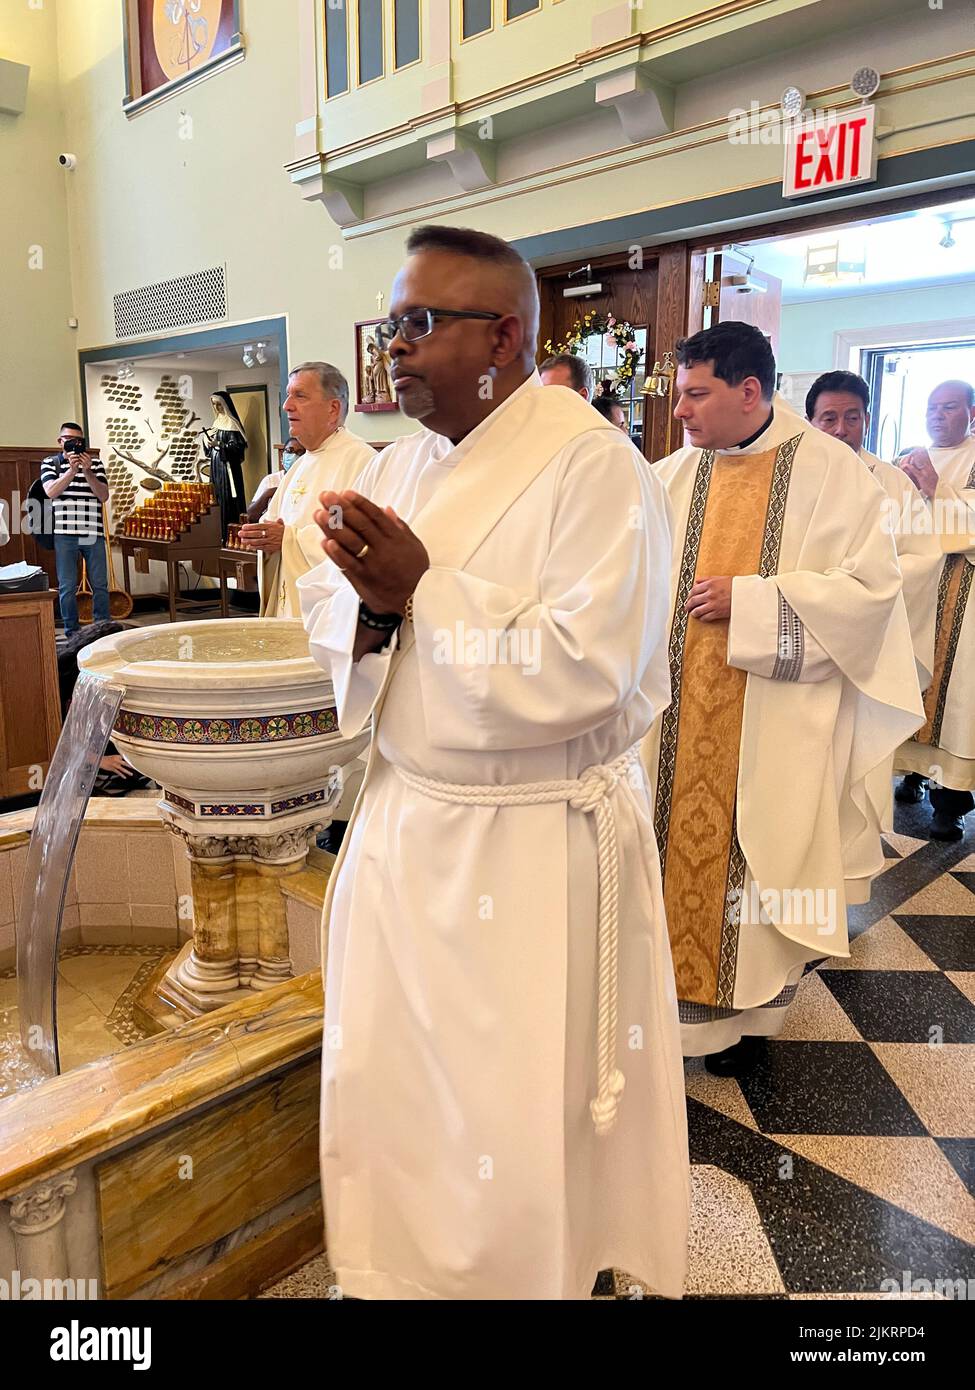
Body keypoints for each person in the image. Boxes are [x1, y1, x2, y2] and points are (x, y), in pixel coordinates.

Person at [298, 224, 689, 1301]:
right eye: (392, 325)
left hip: (523, 845)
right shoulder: (403, 461)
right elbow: (331, 611)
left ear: (503, 336)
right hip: (408, 825)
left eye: (421, 325)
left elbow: (593, 668)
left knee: (510, 1106)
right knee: (398, 1084)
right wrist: (370, 615)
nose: (396, 348)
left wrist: (424, 592)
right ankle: (400, 1271)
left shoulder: (595, 467)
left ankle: (524, 1278)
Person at [645, 323, 923, 1077]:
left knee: (759, 860)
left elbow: (871, 595)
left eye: (695, 395)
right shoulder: (669, 477)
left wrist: (754, 601)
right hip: (669, 722)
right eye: (678, 395)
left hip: (774, 719)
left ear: (747, 390)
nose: (681, 413)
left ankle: (751, 1015)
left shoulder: (834, 475)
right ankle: (668, 1013)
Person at [894, 379, 975, 839]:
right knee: (914, 678)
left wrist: (935, 488)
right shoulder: (910, 456)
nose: (937, 415)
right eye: (932, 407)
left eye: (948, 407)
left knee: (958, 696)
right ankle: (913, 774)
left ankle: (951, 804)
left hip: (965, 597)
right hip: (918, 592)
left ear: (971, 413)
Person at [239, 364, 373, 619]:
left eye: (300, 396)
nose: (287, 405)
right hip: (287, 605)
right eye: (288, 395)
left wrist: (289, 539)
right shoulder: (301, 464)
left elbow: (357, 539)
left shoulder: (360, 460)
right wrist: (264, 537)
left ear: (333, 409)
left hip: (329, 615)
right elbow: (276, 523)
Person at [41, 422, 110, 636]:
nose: (74, 444)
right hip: (64, 533)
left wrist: (87, 472)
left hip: (93, 531)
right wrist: (71, 471)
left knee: (100, 583)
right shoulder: (51, 463)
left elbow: (103, 496)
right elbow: (51, 492)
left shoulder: (95, 464)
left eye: (79, 441)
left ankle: (102, 629)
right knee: (67, 586)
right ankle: (72, 632)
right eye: (69, 440)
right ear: (60, 441)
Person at [201, 392, 248, 541]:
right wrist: (206, 441)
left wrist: (219, 444)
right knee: (216, 496)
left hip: (228, 469)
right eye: (214, 404)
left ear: (226, 405)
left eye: (219, 404)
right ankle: (217, 532)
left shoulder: (232, 423)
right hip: (216, 465)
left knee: (228, 498)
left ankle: (230, 534)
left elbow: (238, 447)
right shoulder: (217, 422)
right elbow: (210, 450)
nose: (217, 407)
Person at [245, 437, 305, 524]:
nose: (294, 455)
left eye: (299, 453)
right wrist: (268, 494)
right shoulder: (270, 480)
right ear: (282, 456)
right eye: (289, 451)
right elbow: (251, 516)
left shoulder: (307, 480)